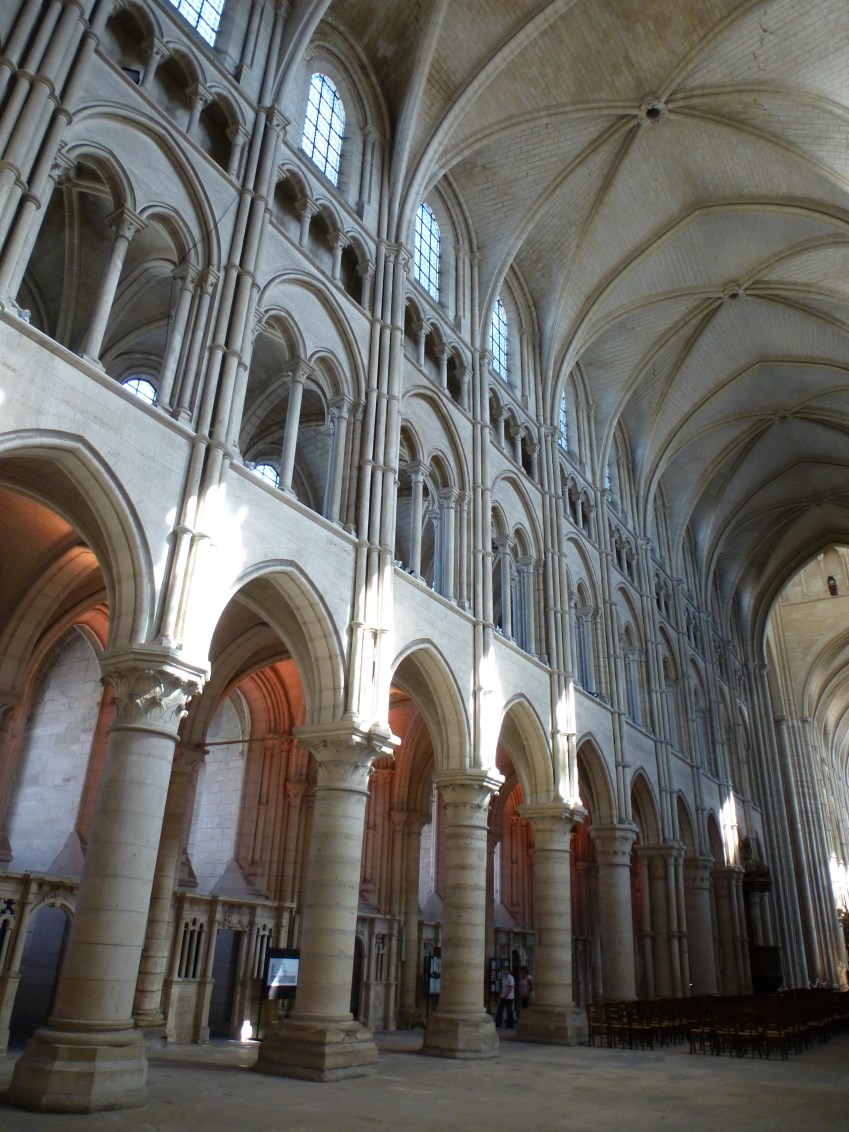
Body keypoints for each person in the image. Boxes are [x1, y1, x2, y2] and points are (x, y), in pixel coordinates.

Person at [494, 963, 515, 1029]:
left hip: (509, 997)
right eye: (503, 970)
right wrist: (499, 995)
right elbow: (502, 987)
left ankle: (510, 1026)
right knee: (500, 1010)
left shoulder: (510, 977)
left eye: (505, 970)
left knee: (509, 1011)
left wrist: (506, 995)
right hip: (503, 996)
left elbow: (511, 987)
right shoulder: (503, 977)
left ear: (508, 970)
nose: (504, 971)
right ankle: (498, 1024)